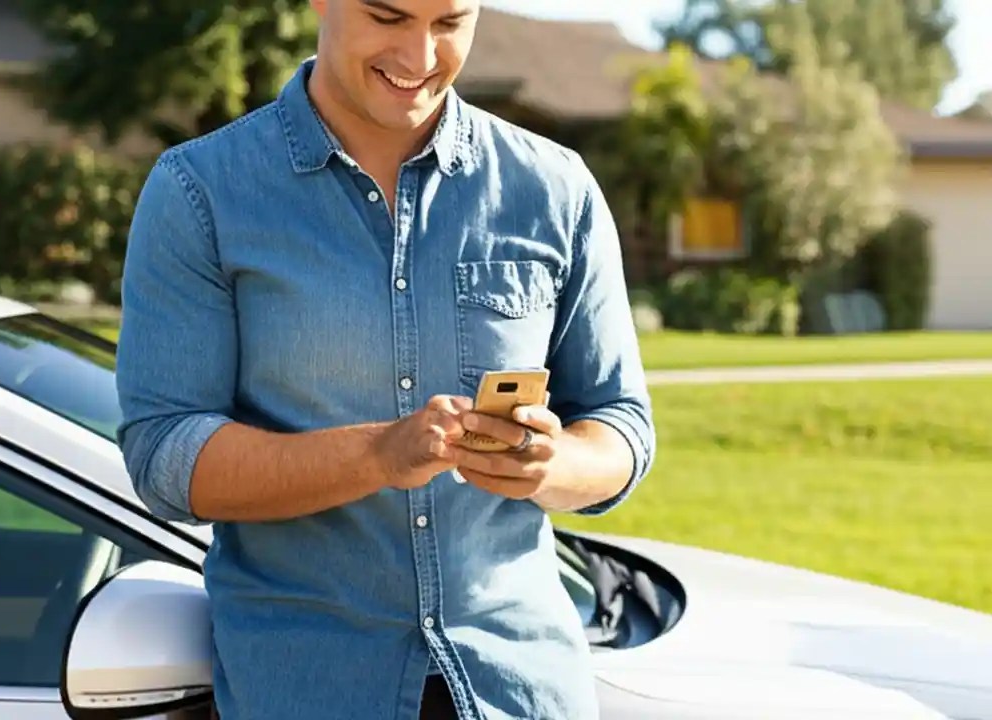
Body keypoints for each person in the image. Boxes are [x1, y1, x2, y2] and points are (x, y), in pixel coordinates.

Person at [114, 0, 656, 718]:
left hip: (520, 690)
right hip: (312, 693)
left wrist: (550, 466)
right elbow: (166, 457)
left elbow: (621, 425)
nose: (420, 57)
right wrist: (377, 455)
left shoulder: (555, 189)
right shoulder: (201, 193)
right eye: (388, 17)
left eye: (449, 23)